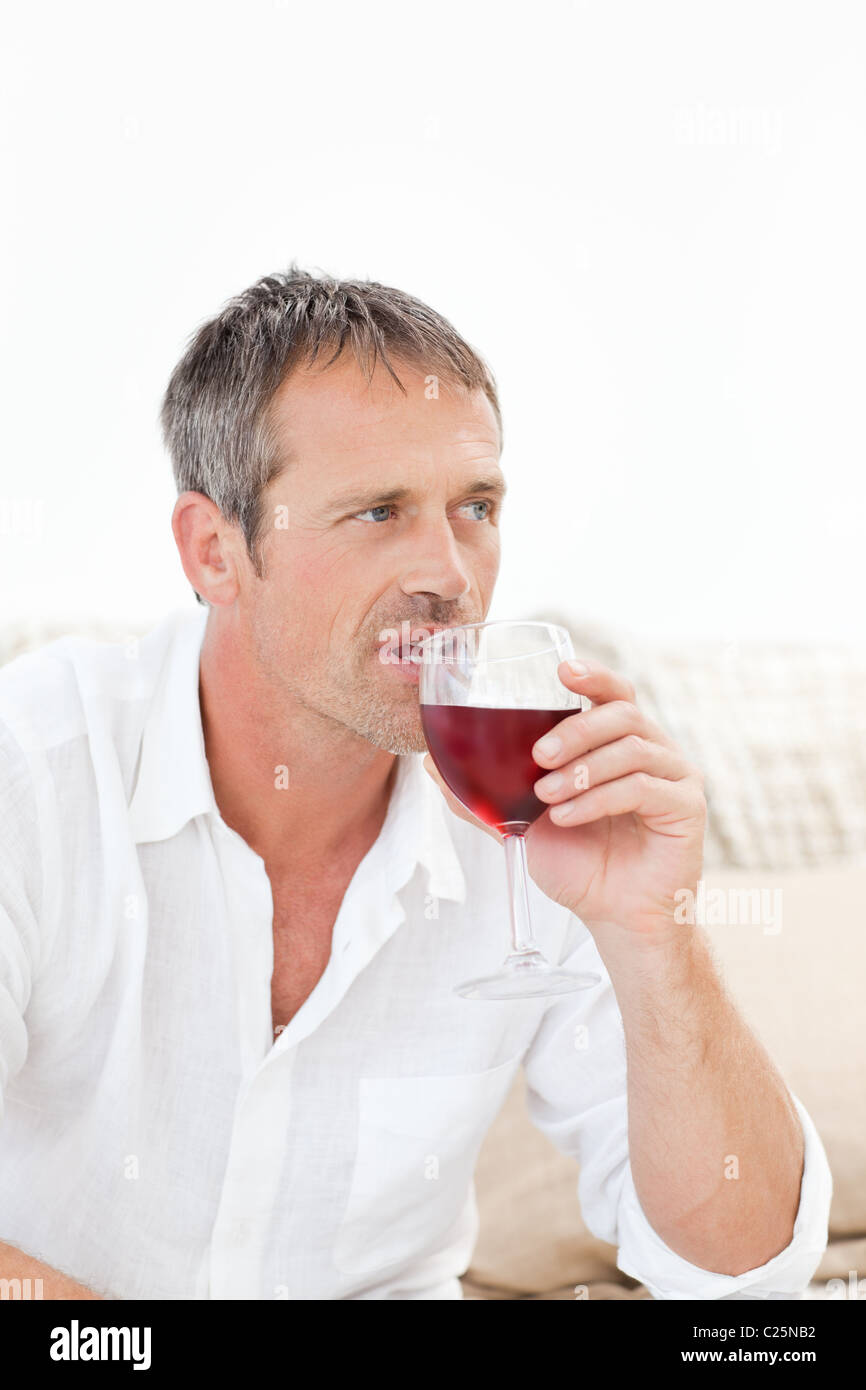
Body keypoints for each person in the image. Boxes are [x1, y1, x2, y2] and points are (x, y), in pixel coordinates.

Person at [0, 265, 831, 1300]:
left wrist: (655, 936)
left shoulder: (540, 804)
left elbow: (744, 1281)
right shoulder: (32, 771)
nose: (449, 573)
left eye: (474, 505)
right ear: (214, 551)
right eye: (377, 512)